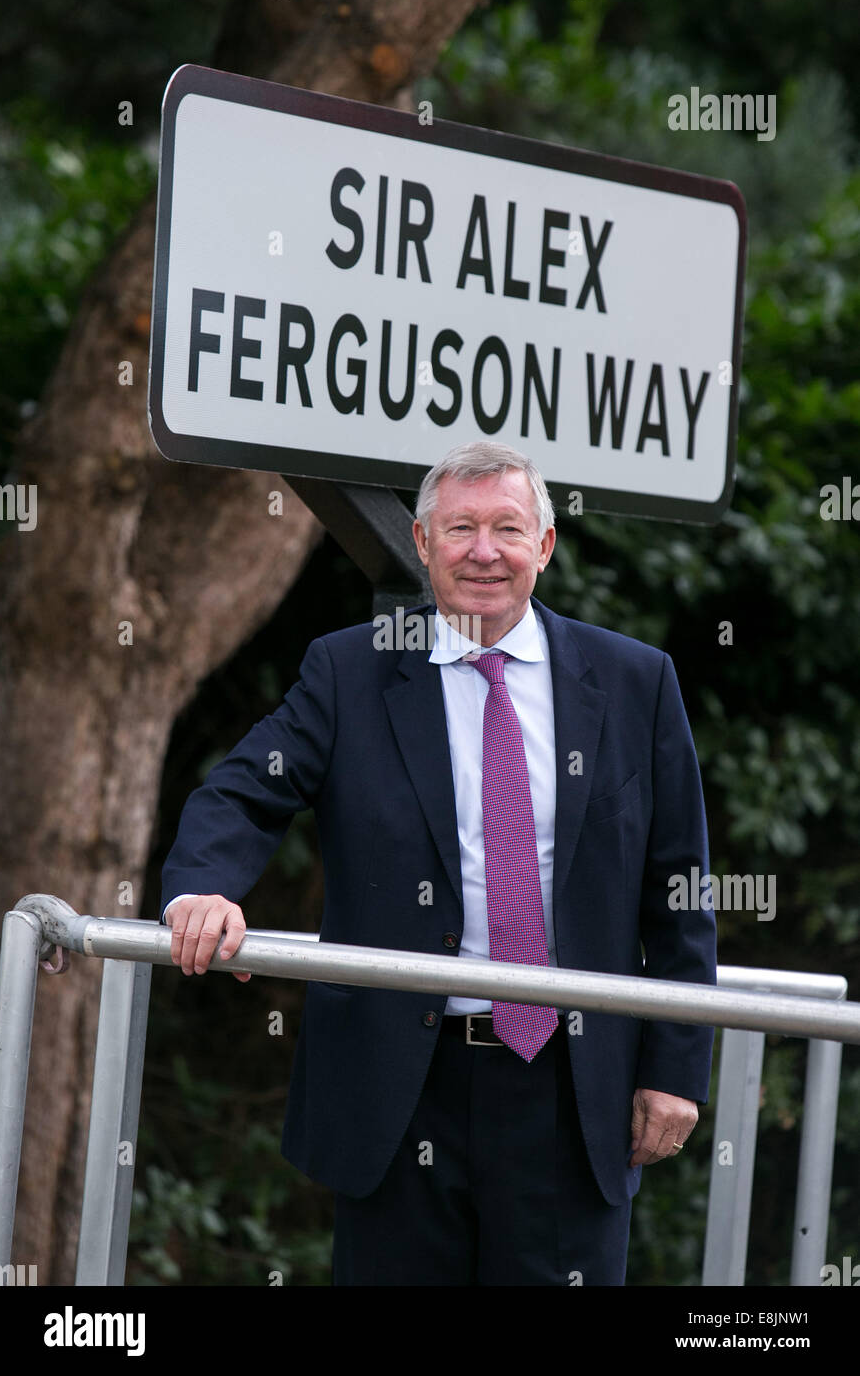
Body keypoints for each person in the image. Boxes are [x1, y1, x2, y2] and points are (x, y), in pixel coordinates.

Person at [159, 440, 717, 1286]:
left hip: (572, 1092)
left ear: (546, 547)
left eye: (506, 528)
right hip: (398, 1085)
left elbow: (680, 889)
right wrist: (202, 887)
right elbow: (240, 792)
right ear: (421, 544)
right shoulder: (349, 670)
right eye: (459, 528)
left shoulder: (635, 681)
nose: (483, 551)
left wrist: (676, 1069)